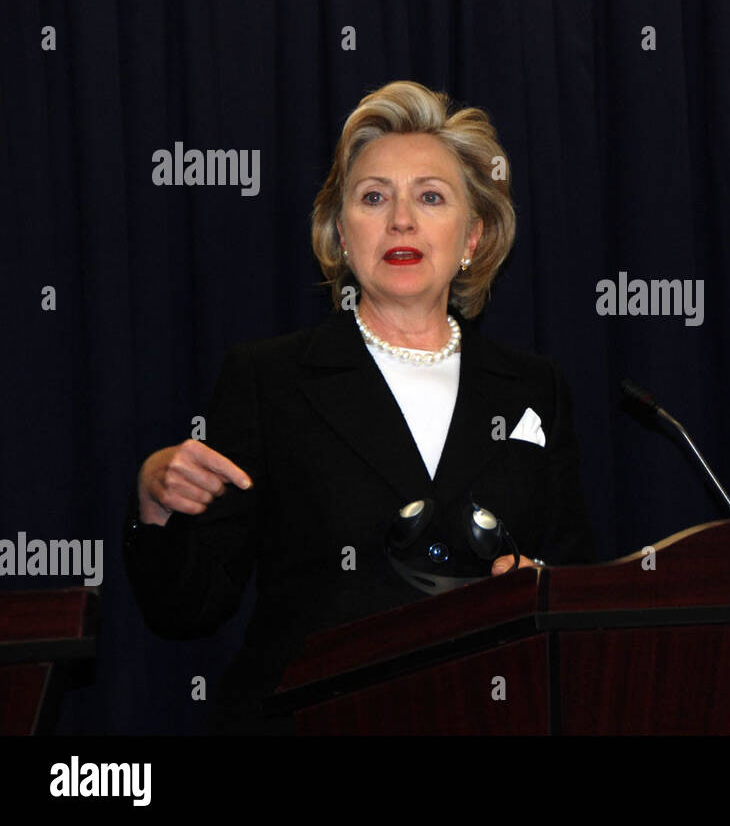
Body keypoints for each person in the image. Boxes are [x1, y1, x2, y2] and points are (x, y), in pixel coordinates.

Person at [123, 81, 595, 734]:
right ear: (342, 235)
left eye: (430, 197)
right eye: (375, 198)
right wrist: (156, 507)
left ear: (473, 237)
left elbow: (573, 581)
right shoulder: (270, 379)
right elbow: (189, 610)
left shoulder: (532, 387)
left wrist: (536, 584)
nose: (401, 220)